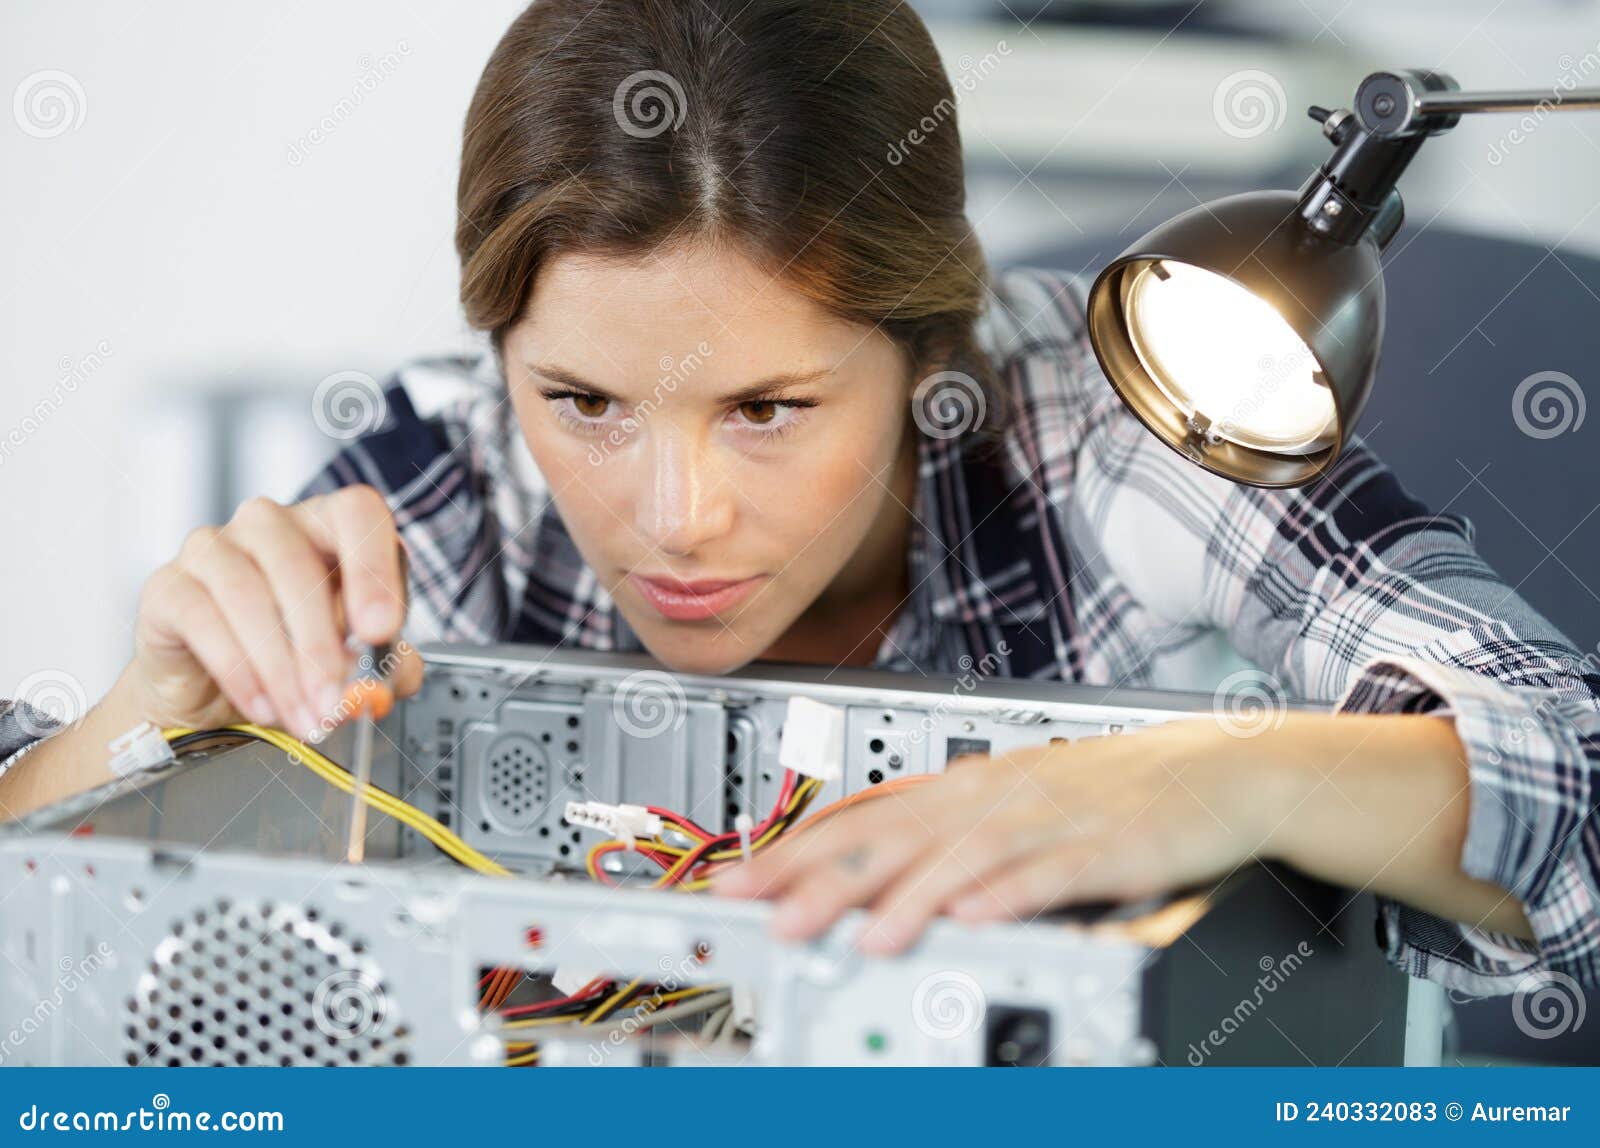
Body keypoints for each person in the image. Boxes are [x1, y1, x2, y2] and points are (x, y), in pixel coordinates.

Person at [3, 0, 1596, 999]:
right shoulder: (452, 463)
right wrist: (145, 717)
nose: (674, 515)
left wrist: (1219, 779)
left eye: (768, 409)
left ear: (928, 344)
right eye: (586, 403)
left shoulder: (1121, 421)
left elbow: (1568, 765)